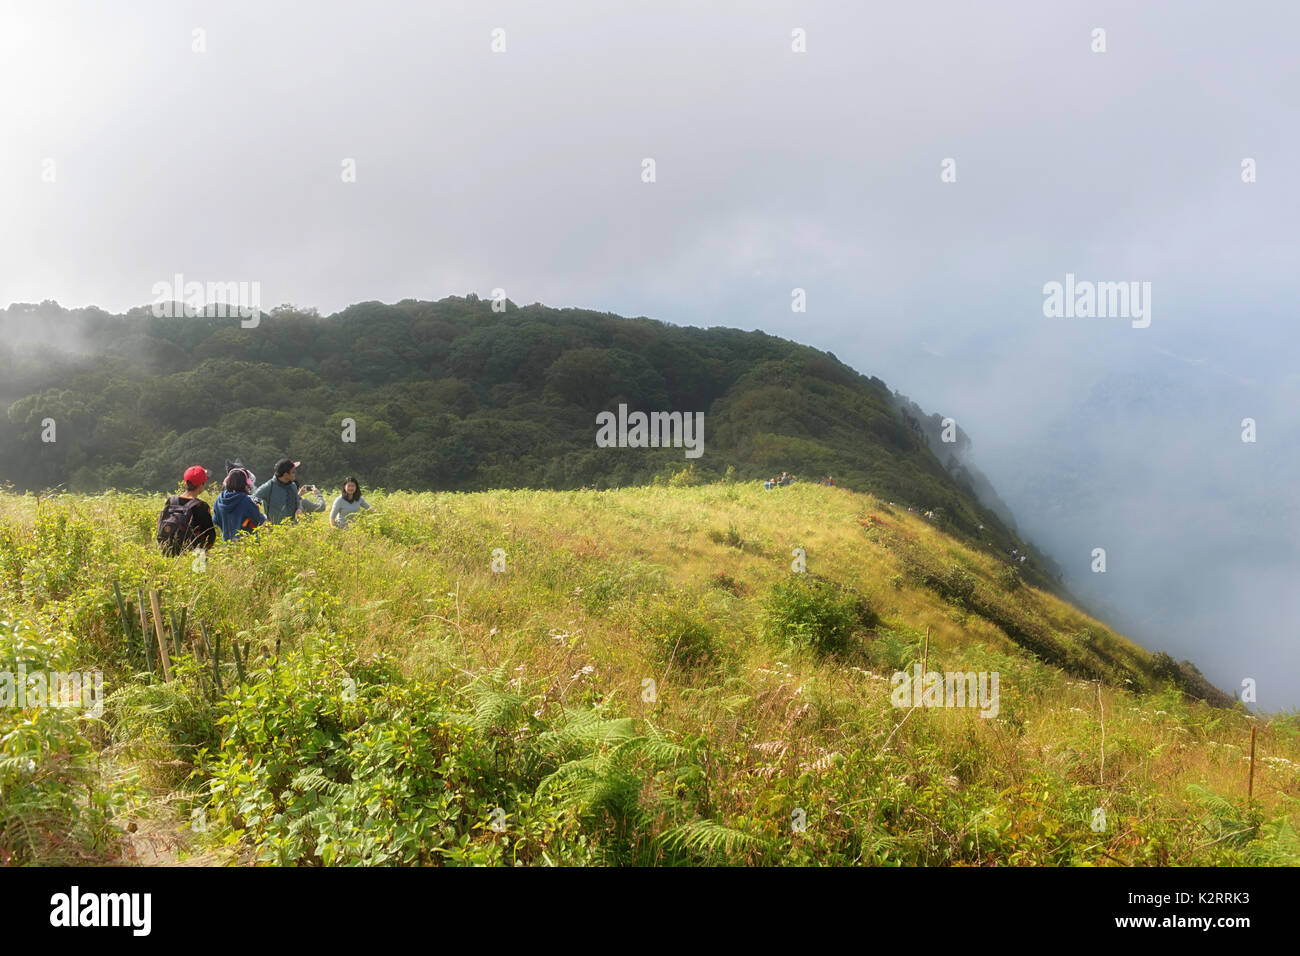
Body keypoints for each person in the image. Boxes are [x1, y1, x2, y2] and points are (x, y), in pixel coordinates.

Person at [156, 465, 217, 556]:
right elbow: (210, 536)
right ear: (201, 484)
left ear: (186, 483)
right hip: (195, 556)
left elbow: (160, 526)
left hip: (168, 553)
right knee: (198, 570)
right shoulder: (201, 506)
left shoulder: (171, 501)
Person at [252, 458, 325, 525]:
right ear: (285, 474)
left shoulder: (292, 485)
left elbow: (297, 501)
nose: (295, 474)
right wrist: (263, 519)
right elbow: (251, 502)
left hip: (293, 530)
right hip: (275, 533)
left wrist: (299, 508)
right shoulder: (268, 487)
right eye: (293, 472)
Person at [213, 467, 267, 542]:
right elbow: (260, 520)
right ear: (245, 483)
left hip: (226, 545)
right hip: (245, 546)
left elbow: (216, 520)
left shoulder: (219, 499)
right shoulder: (246, 500)